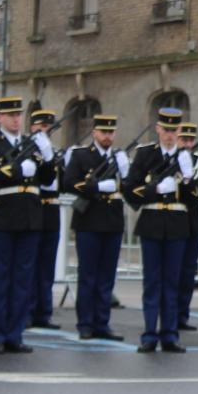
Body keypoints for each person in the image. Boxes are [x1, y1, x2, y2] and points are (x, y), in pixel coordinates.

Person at [0, 97, 57, 354]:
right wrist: (14, 169)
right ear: (0, 117)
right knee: (0, 277)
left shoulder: (30, 144)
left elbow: (47, 179)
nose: (15, 119)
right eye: (10, 115)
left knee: (23, 278)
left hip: (30, 217)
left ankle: (15, 334)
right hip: (2, 215)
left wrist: (47, 157)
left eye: (18, 115)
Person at [123, 108, 194, 354]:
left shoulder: (186, 158)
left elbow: (195, 198)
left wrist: (188, 179)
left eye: (174, 131)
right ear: (158, 129)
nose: (170, 135)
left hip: (176, 222)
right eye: (166, 130)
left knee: (172, 282)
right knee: (153, 282)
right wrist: (154, 190)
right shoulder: (145, 155)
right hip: (152, 221)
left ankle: (170, 335)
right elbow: (130, 188)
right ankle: (149, 334)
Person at [64, 114, 127, 342]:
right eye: (104, 132)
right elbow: (68, 181)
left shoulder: (119, 158)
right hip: (89, 220)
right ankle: (85, 323)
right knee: (88, 275)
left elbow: (129, 187)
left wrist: (125, 173)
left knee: (106, 277)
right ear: (94, 133)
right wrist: (97, 186)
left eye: (111, 133)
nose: (108, 136)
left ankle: (103, 322)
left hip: (112, 221)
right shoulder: (81, 155)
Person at [28, 109, 63, 330]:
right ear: (32, 128)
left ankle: (44, 312)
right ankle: (29, 310)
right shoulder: (29, 150)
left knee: (47, 265)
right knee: (31, 264)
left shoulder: (52, 151)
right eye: (41, 127)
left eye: (48, 127)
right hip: (34, 209)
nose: (45, 131)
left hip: (52, 211)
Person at [177, 122, 198, 332]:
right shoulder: (170, 160)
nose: (187, 143)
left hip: (193, 221)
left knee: (187, 272)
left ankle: (182, 315)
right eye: (183, 139)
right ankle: (169, 314)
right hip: (175, 220)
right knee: (172, 271)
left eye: (190, 140)